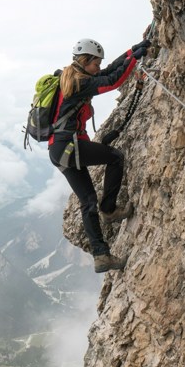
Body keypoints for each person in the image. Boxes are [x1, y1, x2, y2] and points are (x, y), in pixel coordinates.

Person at [48, 36, 150, 273]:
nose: (98, 67)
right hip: (69, 146)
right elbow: (112, 81)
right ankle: (110, 209)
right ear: (85, 61)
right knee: (115, 157)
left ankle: (101, 256)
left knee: (88, 202)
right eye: (95, 63)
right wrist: (134, 60)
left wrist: (131, 52)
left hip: (59, 151)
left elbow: (108, 71)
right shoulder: (80, 83)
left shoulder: (72, 77)